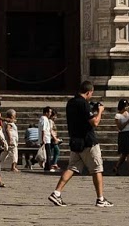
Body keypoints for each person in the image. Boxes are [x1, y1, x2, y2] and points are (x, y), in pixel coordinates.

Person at [49, 78, 111, 208]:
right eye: (91, 94)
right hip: (88, 141)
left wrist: (91, 111)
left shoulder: (71, 102)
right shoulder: (83, 104)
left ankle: (56, 193)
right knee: (97, 169)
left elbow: (82, 118)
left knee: (72, 168)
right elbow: (95, 123)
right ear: (89, 92)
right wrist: (99, 112)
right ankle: (100, 199)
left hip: (75, 141)